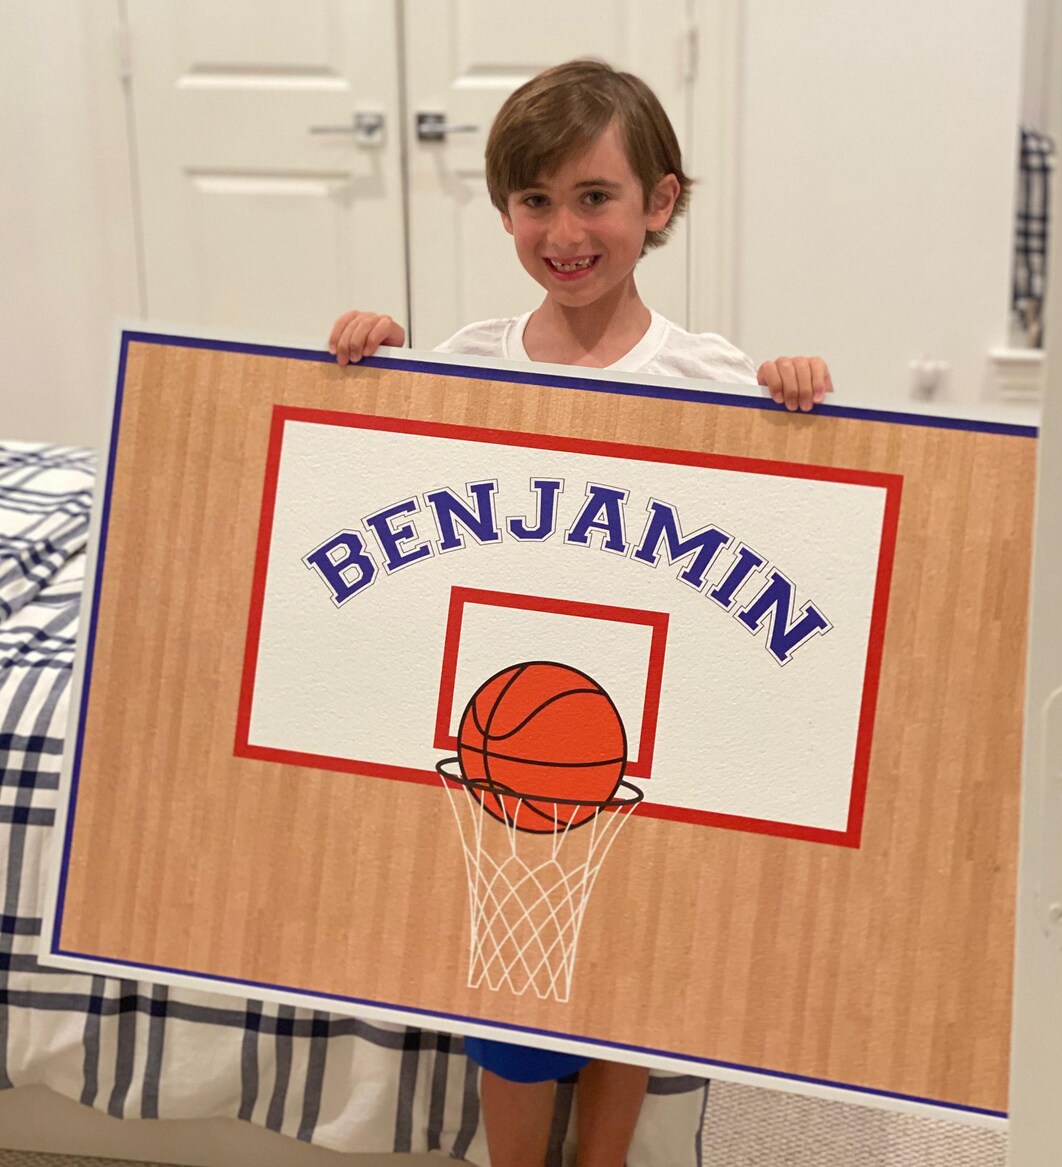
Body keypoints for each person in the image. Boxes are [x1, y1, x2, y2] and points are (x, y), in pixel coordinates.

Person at [328, 58, 832, 1167]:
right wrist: (366, 359)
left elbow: (789, 526)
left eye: (595, 198)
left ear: (658, 205)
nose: (565, 230)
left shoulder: (711, 379)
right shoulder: (458, 364)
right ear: (505, 210)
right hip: (504, 722)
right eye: (536, 201)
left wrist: (794, 399)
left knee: (630, 968)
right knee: (506, 1001)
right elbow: (365, 468)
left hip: (659, 728)